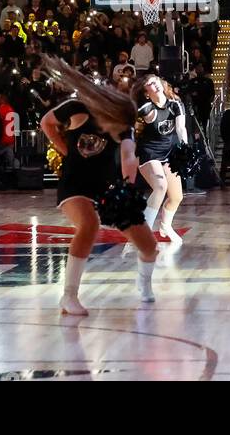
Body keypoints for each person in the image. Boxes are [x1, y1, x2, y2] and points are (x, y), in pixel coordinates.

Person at [40, 57, 158, 316]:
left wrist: (128, 186)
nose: (114, 131)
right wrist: (64, 150)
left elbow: (128, 156)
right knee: (89, 224)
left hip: (109, 187)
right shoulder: (76, 108)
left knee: (149, 247)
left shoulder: (124, 126)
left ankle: (144, 281)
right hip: (75, 184)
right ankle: (68, 296)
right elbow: (46, 123)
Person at [133, 74, 188, 242]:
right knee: (160, 186)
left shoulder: (176, 104)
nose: (154, 84)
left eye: (155, 80)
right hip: (149, 154)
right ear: (147, 92)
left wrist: (184, 148)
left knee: (177, 197)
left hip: (168, 153)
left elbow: (180, 128)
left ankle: (165, 227)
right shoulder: (147, 109)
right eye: (149, 83)